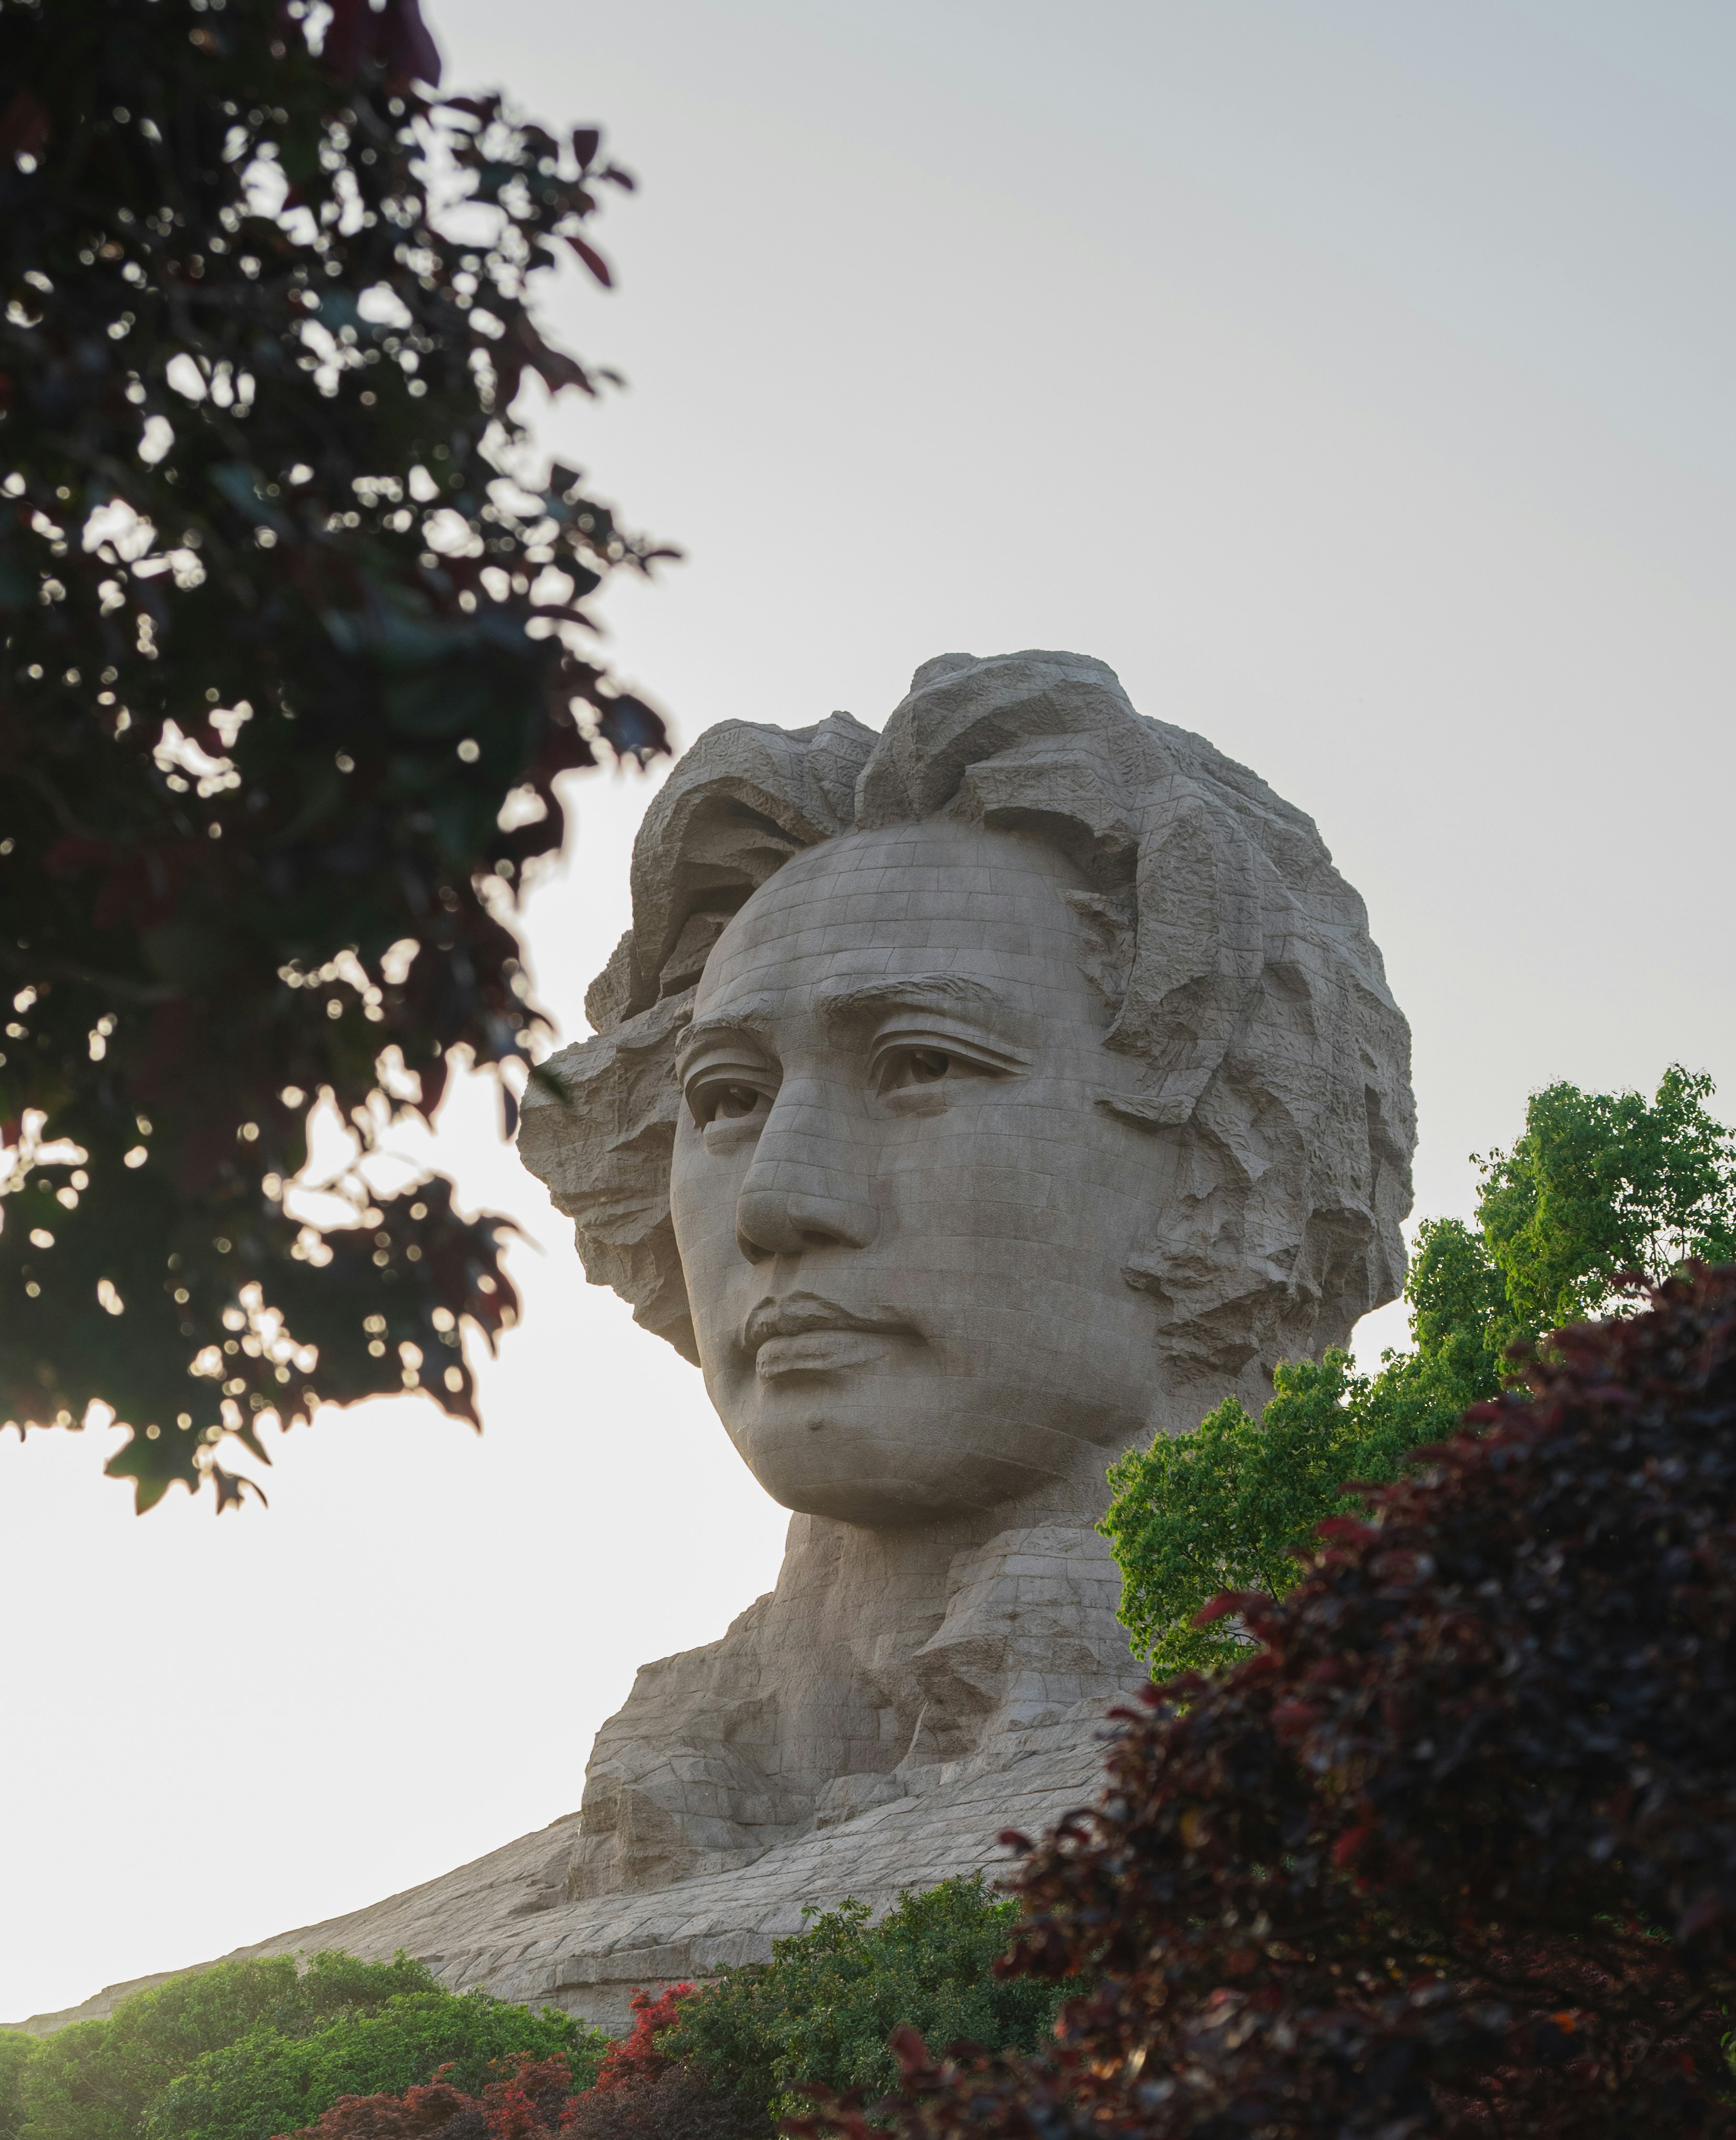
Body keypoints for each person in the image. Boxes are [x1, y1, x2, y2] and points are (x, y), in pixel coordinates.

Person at [520, 649, 1414, 1898]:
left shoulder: (1454, 1811)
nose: (777, 1201)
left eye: (921, 1064)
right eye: (725, 1097)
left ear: (1235, 1138)